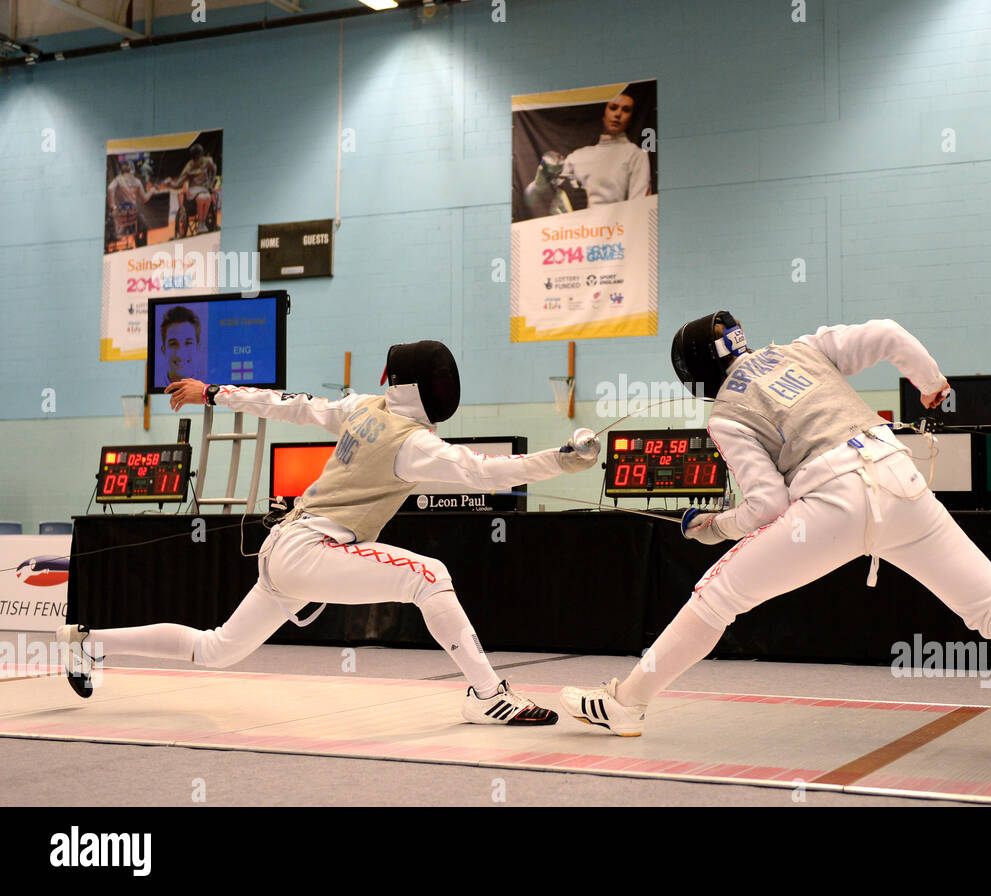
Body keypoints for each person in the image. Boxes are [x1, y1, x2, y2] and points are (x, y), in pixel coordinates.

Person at [561, 313, 991, 760]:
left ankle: (627, 703)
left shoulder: (727, 414)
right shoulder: (803, 348)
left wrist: (716, 527)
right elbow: (890, 333)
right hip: (899, 477)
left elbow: (768, 504)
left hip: (829, 503)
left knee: (718, 595)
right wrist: (931, 383)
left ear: (695, 376)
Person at [60, 341, 602, 726]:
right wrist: (562, 459)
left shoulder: (358, 407)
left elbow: (285, 405)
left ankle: (87, 643)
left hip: (286, 549)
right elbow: (487, 472)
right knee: (430, 575)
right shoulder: (414, 443)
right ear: (430, 389)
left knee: (217, 650)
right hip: (309, 547)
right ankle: (488, 695)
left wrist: (213, 392)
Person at [559, 93, 651, 206]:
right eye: (613, 108)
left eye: (626, 110)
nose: (618, 114)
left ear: (630, 120)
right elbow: (555, 193)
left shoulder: (636, 155)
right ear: (604, 114)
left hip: (618, 223)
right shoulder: (577, 156)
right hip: (581, 223)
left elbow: (639, 204)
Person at [160, 143, 219, 234]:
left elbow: (214, 168)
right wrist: (169, 184)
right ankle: (201, 224)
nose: (197, 158)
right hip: (193, 189)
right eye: (195, 156)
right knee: (201, 198)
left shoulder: (207, 161)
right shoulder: (189, 167)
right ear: (193, 157)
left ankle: (202, 223)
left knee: (207, 197)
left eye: (198, 155)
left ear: (201, 154)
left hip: (204, 188)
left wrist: (211, 182)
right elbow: (178, 184)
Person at [106, 156, 155, 247]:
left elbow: (110, 189)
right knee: (143, 223)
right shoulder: (137, 181)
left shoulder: (118, 180)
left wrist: (113, 206)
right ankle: (141, 245)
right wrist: (151, 191)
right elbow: (144, 199)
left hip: (120, 214)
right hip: (133, 214)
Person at [160, 305, 202, 385]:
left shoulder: (211, 388)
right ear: (163, 349)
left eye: (188, 343)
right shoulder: (156, 385)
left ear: (198, 348)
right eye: (173, 344)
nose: (180, 354)